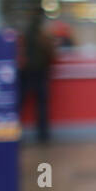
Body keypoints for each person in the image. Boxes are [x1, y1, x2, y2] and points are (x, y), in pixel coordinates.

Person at [17, 11, 56, 143]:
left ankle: (14, 133)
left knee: (19, 105)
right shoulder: (43, 36)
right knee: (42, 106)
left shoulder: (23, 36)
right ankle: (43, 136)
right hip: (40, 73)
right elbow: (52, 53)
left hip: (25, 73)